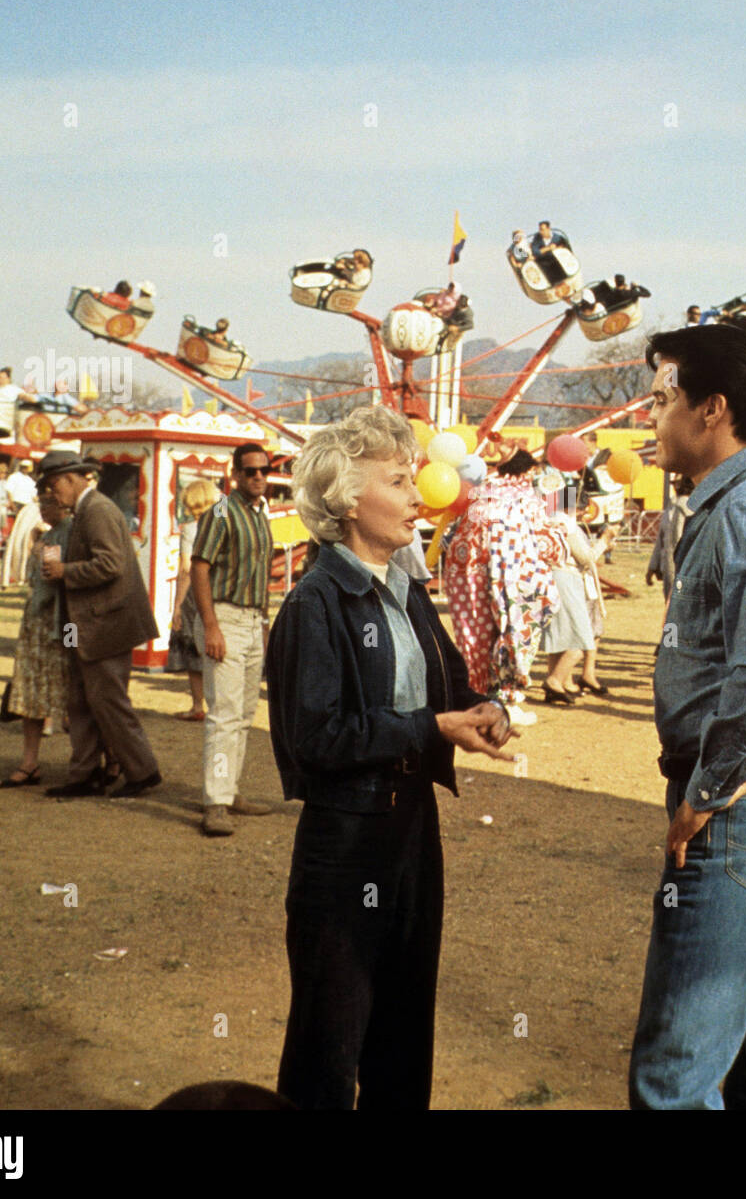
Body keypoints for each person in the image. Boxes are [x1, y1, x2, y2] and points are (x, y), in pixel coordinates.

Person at [265, 405, 517, 1109]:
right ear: (347, 499)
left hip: (412, 832)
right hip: (345, 845)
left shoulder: (407, 590)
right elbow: (314, 739)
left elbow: (449, 681)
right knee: (328, 1045)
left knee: (404, 1041)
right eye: (400, 481)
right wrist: (431, 726)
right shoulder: (315, 605)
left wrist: (482, 708)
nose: (420, 495)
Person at [629, 320, 746, 1111]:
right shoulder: (735, 502)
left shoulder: (743, 508)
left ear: (711, 410)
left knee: (672, 1081)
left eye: (664, 398)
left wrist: (707, 791)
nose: (652, 414)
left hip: (736, 806)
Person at [37, 451, 163, 799]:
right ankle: (86, 773)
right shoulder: (90, 510)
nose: (52, 494)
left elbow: (111, 564)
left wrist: (66, 571)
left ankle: (143, 771)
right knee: (81, 700)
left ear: (73, 478)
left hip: (107, 624)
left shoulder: (98, 510)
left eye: (54, 485)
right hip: (92, 624)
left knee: (108, 701)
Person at [190, 443, 275, 837]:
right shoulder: (221, 511)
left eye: (264, 470)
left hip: (252, 620)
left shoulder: (260, 514)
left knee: (243, 714)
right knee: (223, 715)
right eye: (251, 471)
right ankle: (216, 802)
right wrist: (210, 625)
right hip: (223, 616)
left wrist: (263, 624)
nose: (258, 476)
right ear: (236, 474)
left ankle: (231, 790)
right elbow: (200, 568)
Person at [443, 448, 557, 727]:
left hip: (468, 577)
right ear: (528, 471)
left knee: (477, 636)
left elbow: (449, 538)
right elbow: (548, 541)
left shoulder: (479, 494)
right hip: (515, 581)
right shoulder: (528, 498)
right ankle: (507, 700)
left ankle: (478, 698)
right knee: (515, 634)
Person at [0, 488, 74, 788]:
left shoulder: (63, 536)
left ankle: (84, 762)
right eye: (40, 502)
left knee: (69, 689)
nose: (42, 508)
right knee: (31, 690)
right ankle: (30, 763)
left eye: (48, 502)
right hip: (42, 626)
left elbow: (48, 583)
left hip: (60, 624)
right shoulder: (48, 535)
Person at [166, 477, 219, 722]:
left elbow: (186, 568)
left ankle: (198, 704)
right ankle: (216, 704)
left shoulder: (191, 529)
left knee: (192, 648)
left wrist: (176, 606)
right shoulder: (223, 524)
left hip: (195, 594)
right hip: (218, 591)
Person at [538, 510, 596, 704]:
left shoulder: (545, 521)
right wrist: (605, 540)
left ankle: (557, 683)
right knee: (582, 639)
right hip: (567, 577)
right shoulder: (567, 525)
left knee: (559, 635)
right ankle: (554, 680)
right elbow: (586, 558)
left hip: (550, 578)